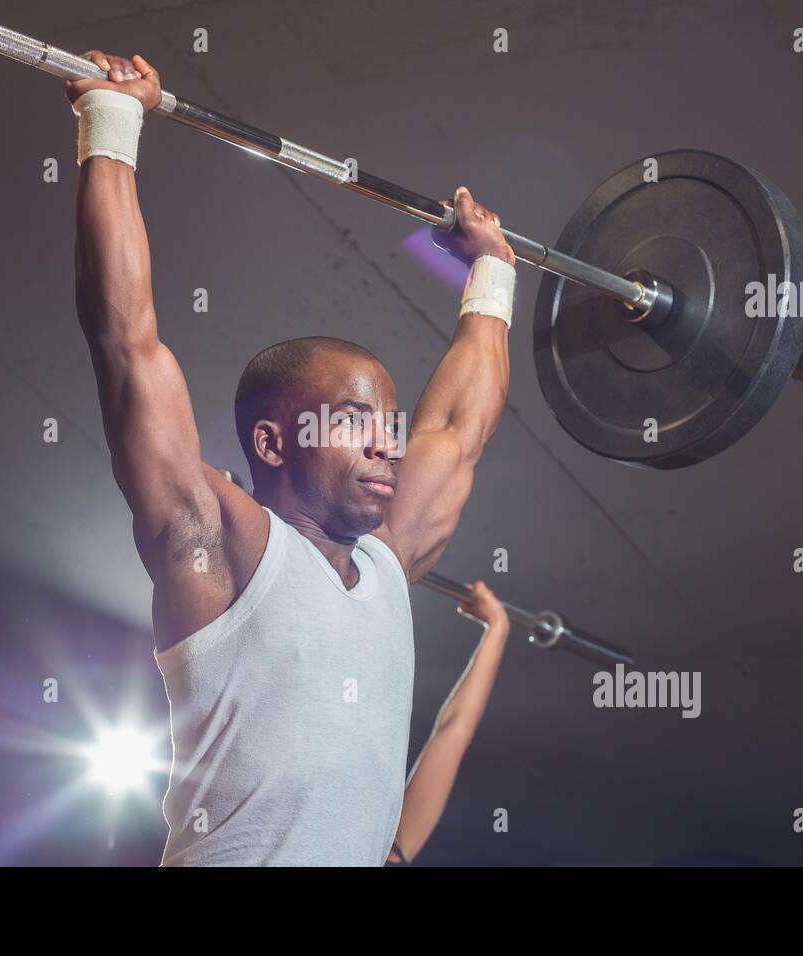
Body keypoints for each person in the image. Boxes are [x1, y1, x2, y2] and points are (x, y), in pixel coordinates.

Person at [66, 51, 516, 865]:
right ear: (272, 442)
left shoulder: (385, 567)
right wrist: (113, 121)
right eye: (353, 420)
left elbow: (459, 429)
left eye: (389, 420)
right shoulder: (223, 547)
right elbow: (126, 346)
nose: (388, 441)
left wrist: (491, 272)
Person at [388, 581, 511, 864]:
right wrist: (496, 628)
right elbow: (454, 731)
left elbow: (453, 730)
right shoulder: (385, 851)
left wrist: (497, 628)